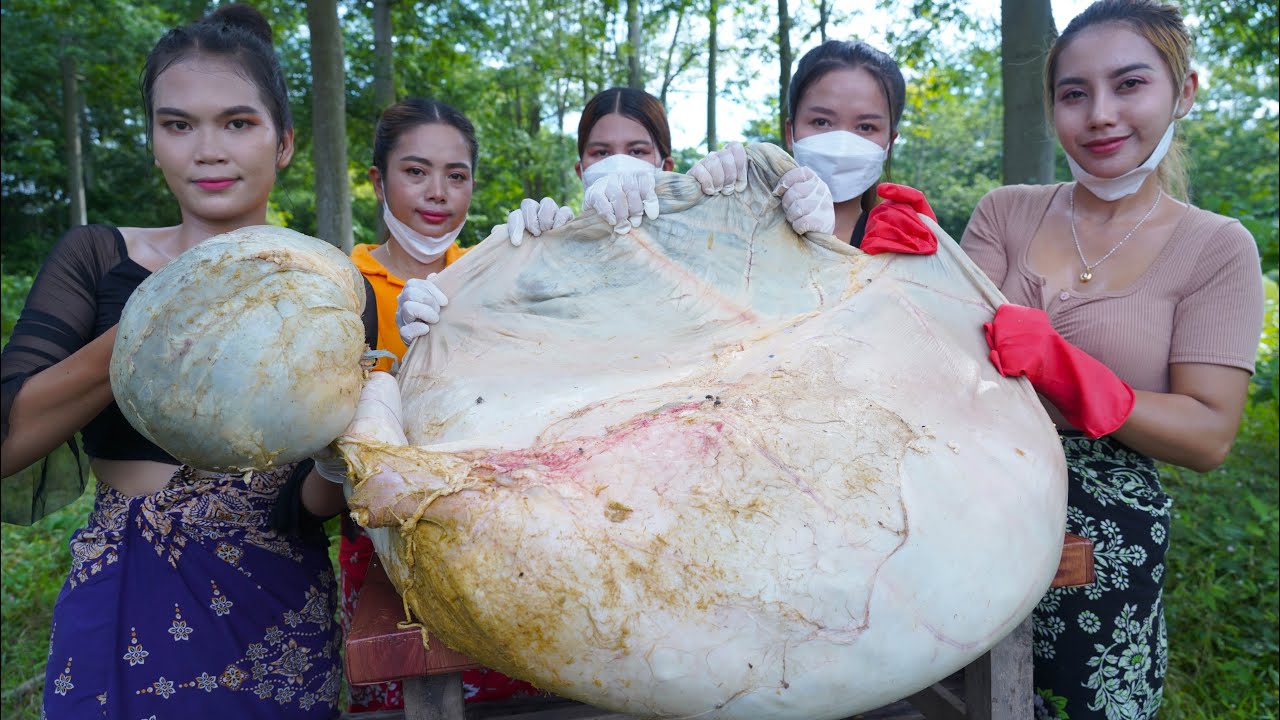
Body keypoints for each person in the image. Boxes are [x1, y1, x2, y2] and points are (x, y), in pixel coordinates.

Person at [0, 5, 365, 717]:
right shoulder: (98, 258)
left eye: (238, 123)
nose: (208, 150)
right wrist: (158, 319)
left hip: (271, 612)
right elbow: (9, 440)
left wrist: (336, 462)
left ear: (284, 143)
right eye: (178, 125)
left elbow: (312, 503)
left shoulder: (325, 289)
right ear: (153, 141)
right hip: (123, 596)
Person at [961, 1, 1264, 717]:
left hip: (1105, 543)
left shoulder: (1218, 248)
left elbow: (1208, 434)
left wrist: (1068, 373)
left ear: (1183, 92)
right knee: (945, 694)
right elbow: (945, 358)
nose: (1100, 115)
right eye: (1075, 93)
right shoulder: (1005, 213)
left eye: (1130, 85)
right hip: (965, 501)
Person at [334, 97, 544, 711]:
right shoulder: (342, 285)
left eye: (456, 175)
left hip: (496, 543)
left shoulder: (491, 273)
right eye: (415, 171)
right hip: (385, 554)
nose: (437, 193)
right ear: (378, 181)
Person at [687, 39, 938, 255]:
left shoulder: (905, 240)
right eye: (821, 122)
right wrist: (698, 207)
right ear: (790, 132)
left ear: (889, 144)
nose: (841, 145)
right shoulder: (740, 227)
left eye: (865, 127)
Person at [502, 86, 675, 243]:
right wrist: (532, 246)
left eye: (637, 151)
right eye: (602, 152)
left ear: (667, 168)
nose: (618, 166)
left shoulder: (690, 247)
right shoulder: (559, 244)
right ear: (581, 171)